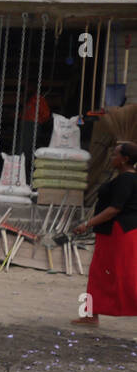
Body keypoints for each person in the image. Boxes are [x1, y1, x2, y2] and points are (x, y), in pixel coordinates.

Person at [71, 140, 137, 327]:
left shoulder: (126, 179)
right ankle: (91, 314)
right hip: (116, 232)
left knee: (125, 277)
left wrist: (87, 224)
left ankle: (91, 314)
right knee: (99, 274)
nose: (112, 157)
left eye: (115, 154)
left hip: (119, 233)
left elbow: (114, 209)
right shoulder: (125, 177)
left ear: (125, 159)